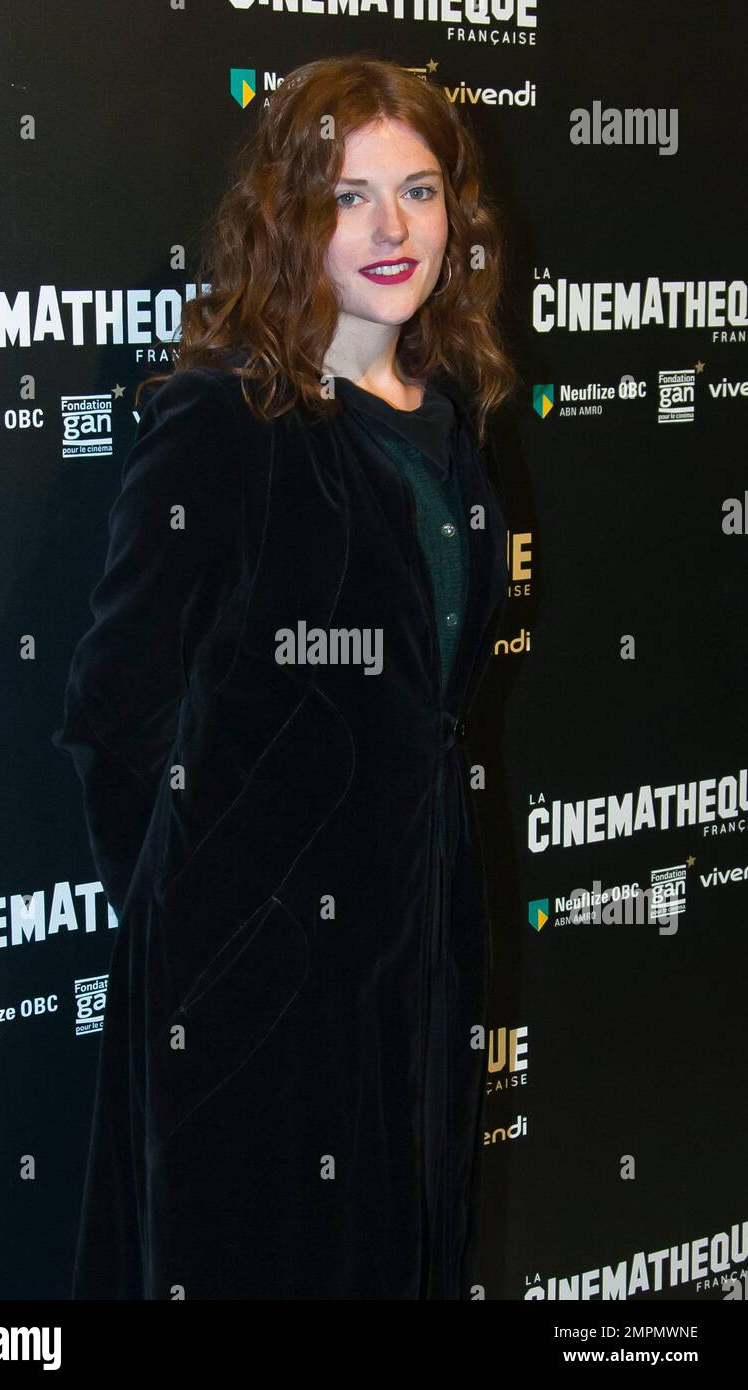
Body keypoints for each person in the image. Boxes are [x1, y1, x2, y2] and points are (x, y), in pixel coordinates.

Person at [52, 54, 518, 1300]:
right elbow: (113, 710)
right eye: (348, 195)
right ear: (288, 215)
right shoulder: (226, 418)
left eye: (417, 191)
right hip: (258, 1004)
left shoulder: (446, 412)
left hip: (414, 965)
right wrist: (209, 933)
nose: (390, 229)